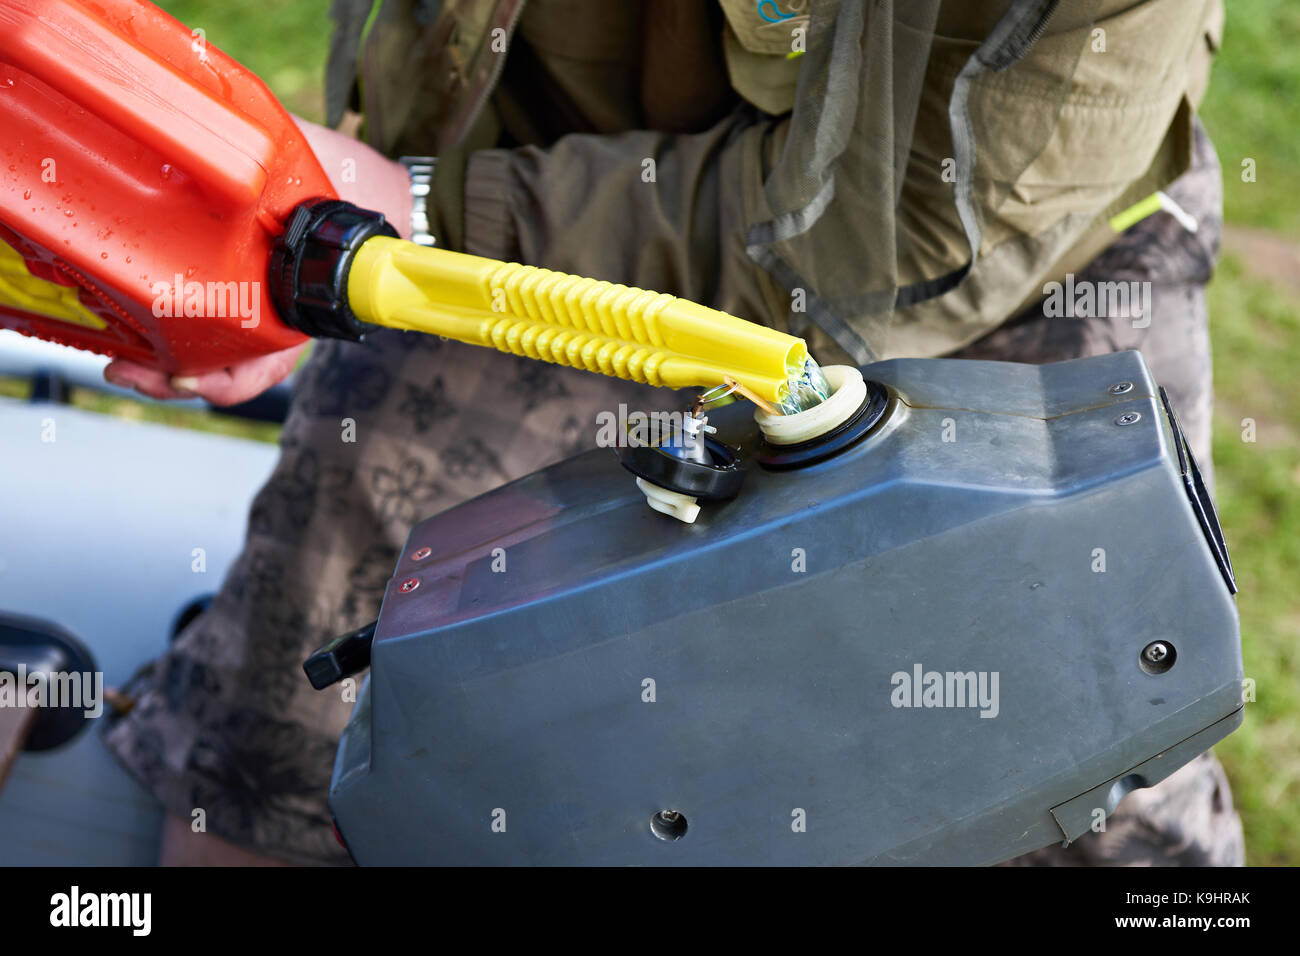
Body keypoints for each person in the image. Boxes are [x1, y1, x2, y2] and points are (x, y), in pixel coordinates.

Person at [102, 0, 1241, 865]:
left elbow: (897, 234)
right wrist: (295, 248)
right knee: (288, 715)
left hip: (1022, 255)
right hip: (533, 198)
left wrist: (415, 218)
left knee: (1107, 701)